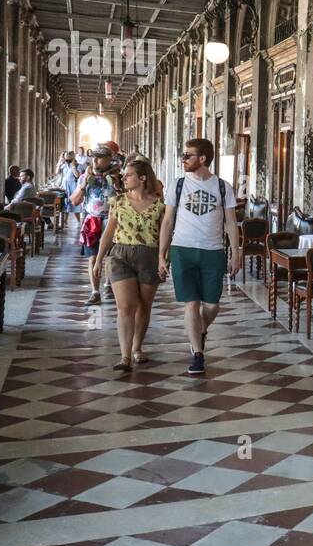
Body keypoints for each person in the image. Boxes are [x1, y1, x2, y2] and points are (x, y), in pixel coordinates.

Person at [158, 138, 240, 375]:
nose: (183, 159)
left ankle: (199, 330)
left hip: (213, 250)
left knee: (212, 305)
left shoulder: (223, 187)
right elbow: (167, 222)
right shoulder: (178, 185)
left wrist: (236, 253)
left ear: (202, 158)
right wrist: (161, 255)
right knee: (191, 303)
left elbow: (231, 223)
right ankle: (197, 353)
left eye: (187, 155)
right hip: (182, 249)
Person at [93, 160, 166, 371]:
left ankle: (137, 348)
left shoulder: (160, 205)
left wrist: (163, 258)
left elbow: (164, 234)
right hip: (120, 255)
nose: (124, 178)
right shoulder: (118, 201)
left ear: (142, 178)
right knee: (125, 306)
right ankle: (124, 356)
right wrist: (99, 259)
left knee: (144, 305)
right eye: (124, 175)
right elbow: (108, 232)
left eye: (129, 175)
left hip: (149, 256)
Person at [71, 145, 120, 305]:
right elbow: (74, 201)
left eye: (100, 158)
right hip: (92, 220)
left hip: (112, 221)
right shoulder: (85, 176)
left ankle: (108, 283)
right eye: (95, 158)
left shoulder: (117, 175)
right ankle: (95, 291)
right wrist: (84, 185)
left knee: (110, 256)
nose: (96, 161)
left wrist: (118, 185)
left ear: (108, 160)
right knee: (92, 256)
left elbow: (126, 196)